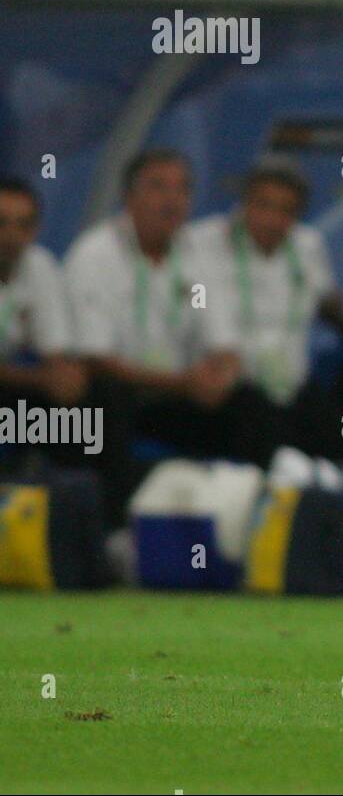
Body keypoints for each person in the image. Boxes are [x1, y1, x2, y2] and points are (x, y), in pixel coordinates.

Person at [61, 150, 246, 526]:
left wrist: (220, 376)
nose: (172, 199)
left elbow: (221, 339)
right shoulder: (96, 255)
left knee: (250, 407)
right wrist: (184, 382)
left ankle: (242, 529)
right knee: (106, 400)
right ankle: (114, 533)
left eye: (182, 189)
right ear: (129, 198)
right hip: (116, 391)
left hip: (175, 396)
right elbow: (94, 358)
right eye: (158, 187)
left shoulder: (197, 261)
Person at [188, 157, 343, 459]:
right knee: (265, 434)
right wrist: (222, 355)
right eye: (263, 205)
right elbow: (202, 303)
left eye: (285, 210)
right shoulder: (203, 241)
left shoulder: (308, 245)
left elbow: (327, 299)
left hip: (293, 385)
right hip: (234, 384)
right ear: (245, 202)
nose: (272, 219)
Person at [0, 177, 85, 420]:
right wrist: (40, 379)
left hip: (11, 384)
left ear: (36, 230)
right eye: (1, 223)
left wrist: (65, 377)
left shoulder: (40, 264)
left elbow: (55, 350)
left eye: (23, 225)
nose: (11, 235)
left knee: (96, 398)